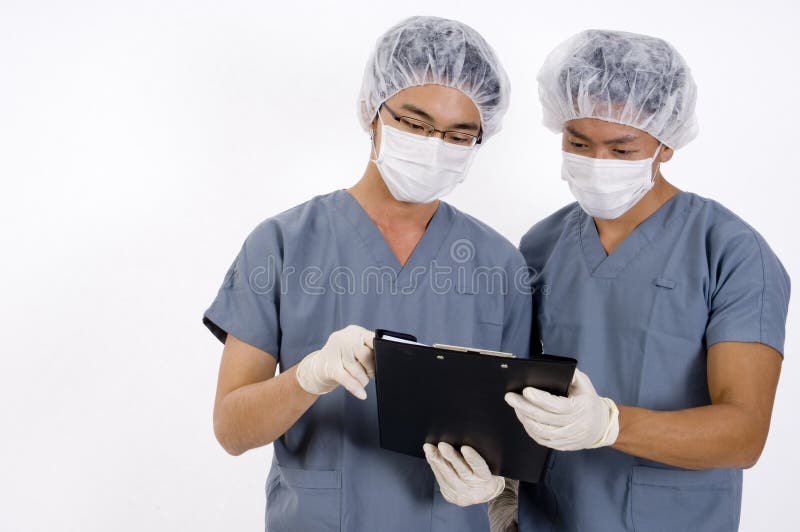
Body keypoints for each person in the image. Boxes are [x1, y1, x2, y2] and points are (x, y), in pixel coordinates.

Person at [202, 16, 531, 532]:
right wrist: (307, 377)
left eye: (458, 135)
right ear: (370, 111)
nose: (434, 145)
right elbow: (231, 430)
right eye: (416, 124)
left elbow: (516, 441)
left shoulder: (501, 267)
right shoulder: (282, 244)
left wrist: (496, 489)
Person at [502, 29, 790, 531]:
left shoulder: (730, 251)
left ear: (666, 143)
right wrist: (500, 489)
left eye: (622, 148)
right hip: (553, 514)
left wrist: (608, 424)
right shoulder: (541, 245)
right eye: (578, 143)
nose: (597, 164)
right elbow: (507, 389)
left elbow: (744, 433)